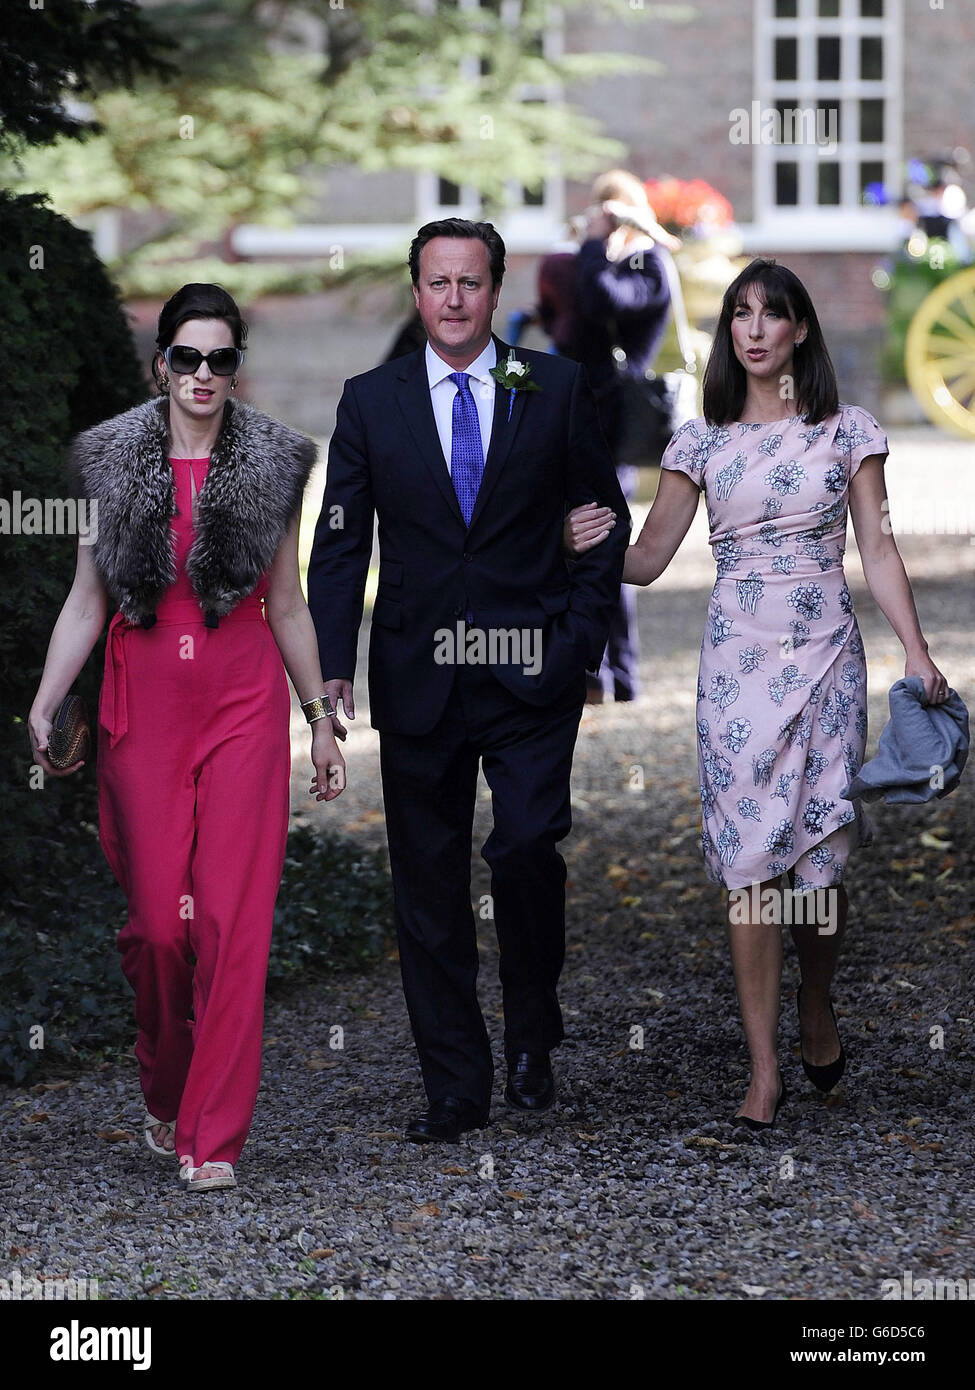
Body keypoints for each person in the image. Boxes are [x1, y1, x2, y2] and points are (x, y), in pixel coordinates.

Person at [566, 259, 950, 1127]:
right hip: (735, 668)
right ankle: (762, 1069)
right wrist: (568, 540)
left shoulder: (845, 432)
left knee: (815, 859)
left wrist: (916, 651)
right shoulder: (699, 441)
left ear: (798, 331)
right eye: (738, 313)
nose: (752, 328)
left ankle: (816, 1001)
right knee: (749, 862)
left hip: (824, 662)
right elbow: (646, 557)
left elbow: (878, 549)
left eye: (770, 314)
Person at [307, 218, 629, 1143]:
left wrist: (575, 642)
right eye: (438, 283)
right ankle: (455, 1082)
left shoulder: (549, 384)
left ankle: (532, 1024)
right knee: (429, 887)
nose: (454, 300)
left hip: (531, 669)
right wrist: (330, 673)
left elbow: (601, 518)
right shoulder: (371, 400)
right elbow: (339, 550)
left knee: (527, 850)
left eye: (471, 283)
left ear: (496, 293)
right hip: (417, 676)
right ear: (417, 293)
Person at [28, 283, 346, 1191]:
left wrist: (320, 721)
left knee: (230, 924)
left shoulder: (272, 466)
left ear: (236, 370)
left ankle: (216, 1135)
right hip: (144, 710)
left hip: (244, 704)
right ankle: (164, 1080)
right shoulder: (115, 464)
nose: (203, 374)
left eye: (222, 359)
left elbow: (285, 602)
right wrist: (48, 700)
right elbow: (87, 599)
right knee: (159, 929)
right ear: (158, 363)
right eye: (187, 357)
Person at [573, 170, 681, 703]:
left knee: (608, 544)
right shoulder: (610, 263)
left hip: (615, 427)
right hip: (585, 423)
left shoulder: (651, 266)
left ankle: (621, 676)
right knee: (587, 544)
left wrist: (595, 245)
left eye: (612, 215)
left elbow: (600, 301)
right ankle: (597, 672)